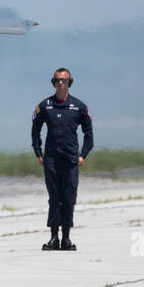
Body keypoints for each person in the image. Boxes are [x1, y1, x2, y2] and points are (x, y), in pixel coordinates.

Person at [30, 67, 93, 252]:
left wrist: (83, 155)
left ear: (69, 82)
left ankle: (66, 239)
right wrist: (38, 153)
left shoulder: (79, 107)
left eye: (64, 80)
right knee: (54, 198)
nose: (60, 83)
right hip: (51, 160)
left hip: (71, 160)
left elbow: (89, 133)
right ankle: (53, 238)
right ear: (53, 82)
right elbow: (35, 129)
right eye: (57, 80)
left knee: (68, 198)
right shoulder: (45, 106)